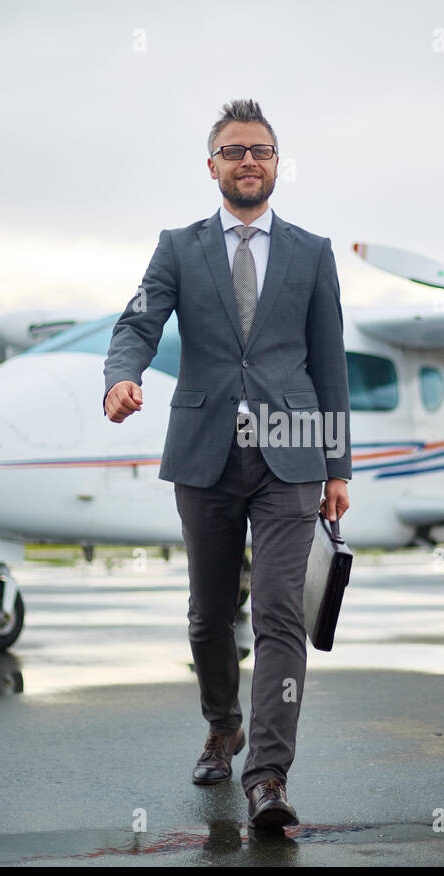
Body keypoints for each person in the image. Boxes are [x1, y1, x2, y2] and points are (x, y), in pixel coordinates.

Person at [102, 99, 351, 829]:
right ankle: (222, 724)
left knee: (279, 614)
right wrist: (122, 376)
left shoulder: (312, 252)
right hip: (204, 450)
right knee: (210, 615)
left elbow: (329, 363)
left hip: (291, 453)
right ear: (211, 165)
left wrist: (338, 465)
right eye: (234, 150)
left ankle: (267, 776)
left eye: (261, 150)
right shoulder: (178, 248)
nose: (249, 161)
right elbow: (138, 321)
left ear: (277, 164)